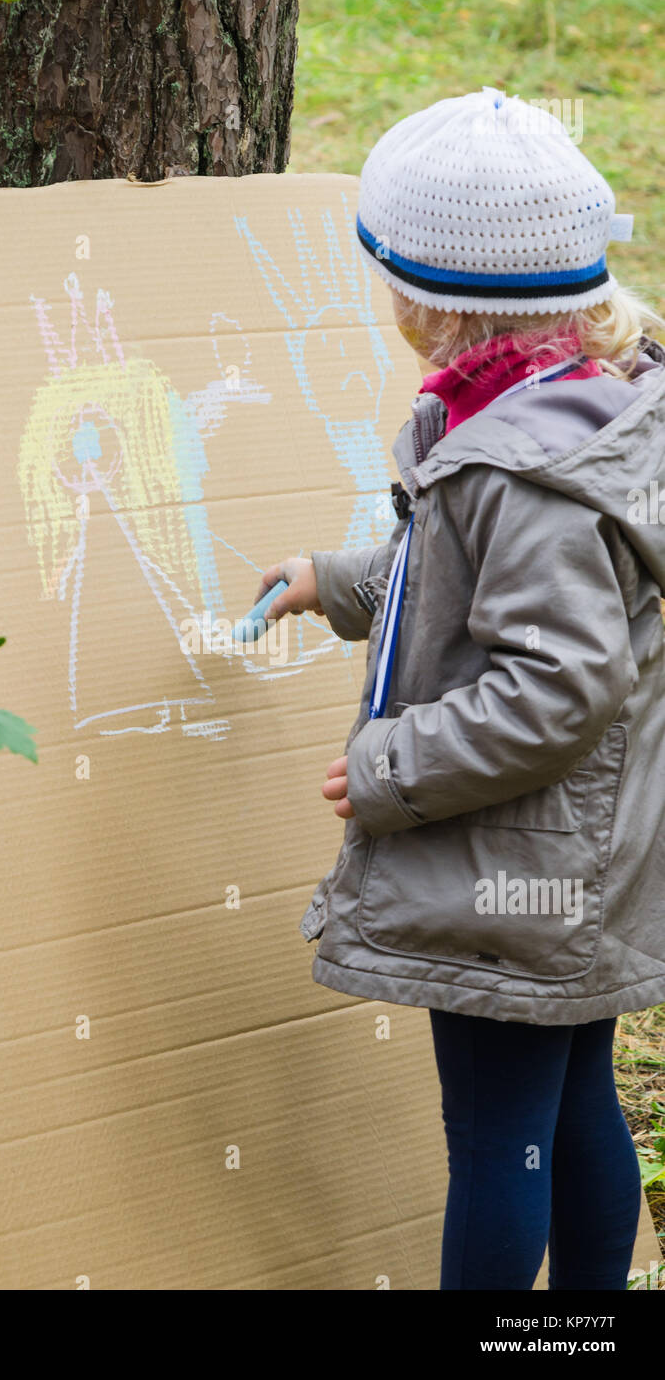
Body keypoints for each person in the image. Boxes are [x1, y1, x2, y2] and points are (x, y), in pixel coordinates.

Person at [256, 88, 665, 1291]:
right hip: (586, 849)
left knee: (497, 1135)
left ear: (428, 301)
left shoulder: (519, 469)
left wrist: (394, 765)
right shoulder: (580, 403)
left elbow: (556, 681)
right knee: (573, 1095)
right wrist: (336, 582)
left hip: (516, 866)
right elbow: (472, 583)